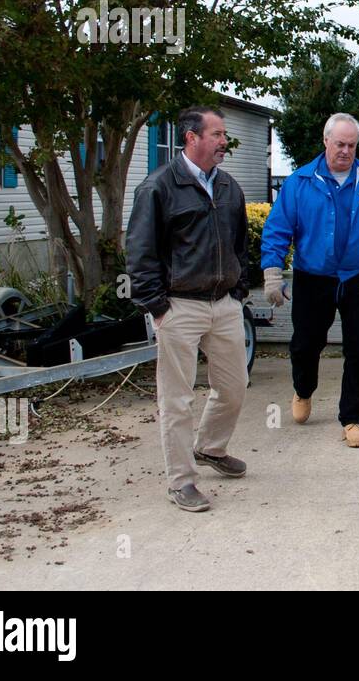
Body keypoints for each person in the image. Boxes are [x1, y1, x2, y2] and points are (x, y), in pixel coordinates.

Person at [260, 112, 359, 448]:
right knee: (305, 344)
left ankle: (353, 418)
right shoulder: (300, 183)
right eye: (339, 143)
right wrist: (272, 272)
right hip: (314, 276)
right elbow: (277, 229)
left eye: (352, 145)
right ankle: (303, 389)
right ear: (326, 142)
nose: (345, 150)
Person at [126, 106, 251, 512]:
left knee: (233, 387)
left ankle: (211, 447)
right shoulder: (158, 187)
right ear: (191, 139)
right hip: (179, 306)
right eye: (216, 134)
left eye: (224, 135)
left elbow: (239, 244)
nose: (223, 142)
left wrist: (239, 290)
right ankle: (181, 482)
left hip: (224, 305)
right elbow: (140, 253)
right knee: (177, 399)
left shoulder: (229, 187)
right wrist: (157, 308)